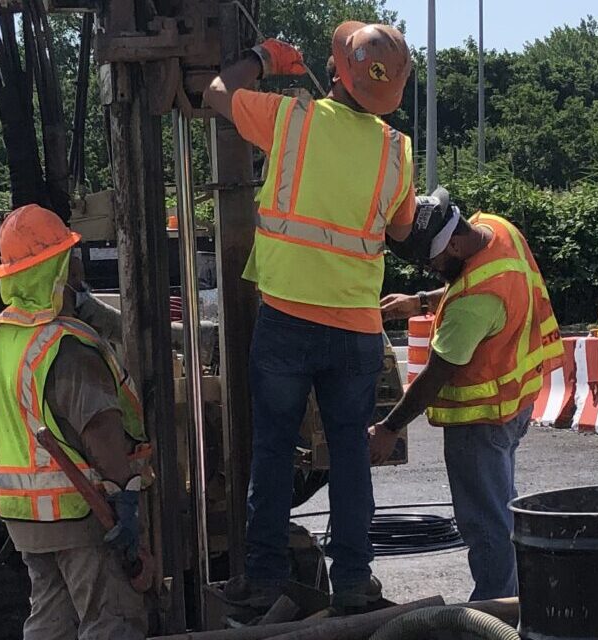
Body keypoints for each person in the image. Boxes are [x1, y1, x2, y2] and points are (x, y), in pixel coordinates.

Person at [203, 20, 416, 614]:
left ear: (338, 72)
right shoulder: (396, 148)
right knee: (349, 453)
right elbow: (400, 229)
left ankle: (265, 579)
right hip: (355, 330)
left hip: (288, 319)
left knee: (272, 449)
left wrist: (261, 56)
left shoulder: (292, 119)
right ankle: (352, 580)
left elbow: (214, 94)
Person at [370, 189, 564, 601]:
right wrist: (421, 302)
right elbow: (472, 279)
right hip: (517, 403)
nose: (433, 269)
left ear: (454, 244)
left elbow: (435, 375)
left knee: (485, 525)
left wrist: (389, 428)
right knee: (502, 514)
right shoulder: (497, 229)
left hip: (480, 422)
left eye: (434, 262)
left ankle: (493, 612)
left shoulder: (473, 303)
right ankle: (512, 599)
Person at [0, 204, 150, 640]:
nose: (78, 268)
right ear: (54, 268)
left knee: (49, 622)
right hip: (80, 511)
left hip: (25, 518)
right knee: (111, 622)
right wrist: (125, 499)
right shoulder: (65, 345)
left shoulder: (0, 339)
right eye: (70, 257)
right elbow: (101, 434)